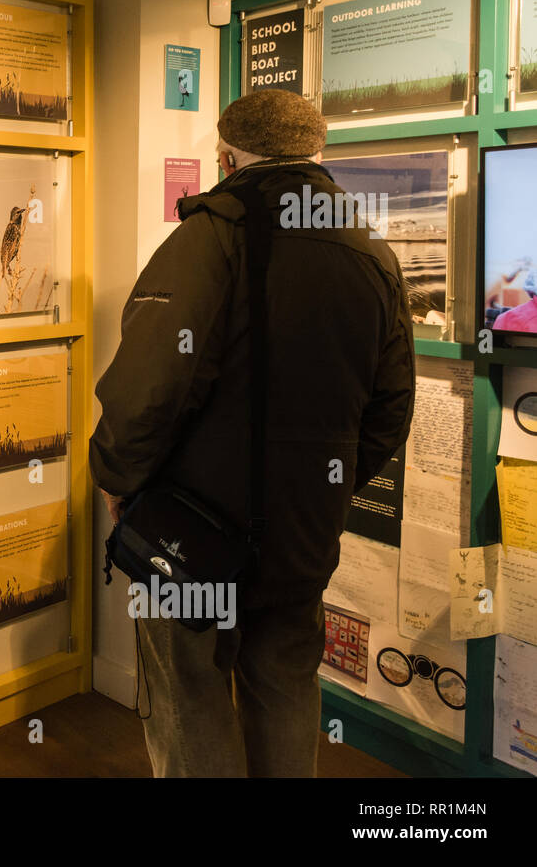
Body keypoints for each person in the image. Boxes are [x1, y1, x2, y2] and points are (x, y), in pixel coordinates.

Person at [89, 89, 415, 777]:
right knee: (288, 688)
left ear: (227, 154)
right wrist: (320, 487)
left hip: (195, 534)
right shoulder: (372, 256)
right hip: (302, 537)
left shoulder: (210, 236)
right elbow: (390, 412)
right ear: (315, 155)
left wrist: (119, 478)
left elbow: (148, 387)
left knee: (189, 700)